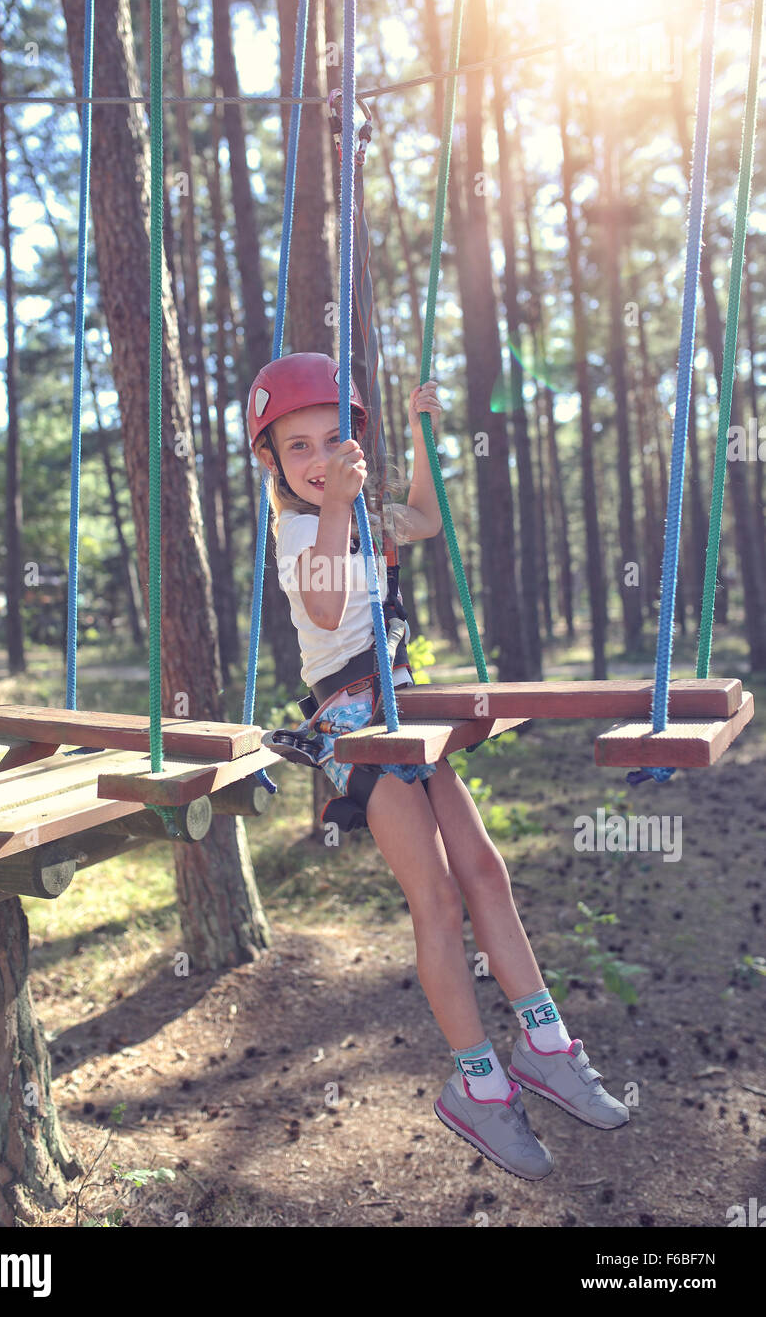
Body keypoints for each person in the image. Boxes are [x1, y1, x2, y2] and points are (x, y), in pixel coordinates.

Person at [248, 352, 628, 1180]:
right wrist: (343, 505)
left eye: (335, 441)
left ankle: (549, 1046)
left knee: (487, 869)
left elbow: (426, 517)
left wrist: (421, 432)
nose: (319, 460)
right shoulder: (298, 530)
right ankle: (479, 1087)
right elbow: (320, 604)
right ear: (272, 461)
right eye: (299, 447)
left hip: (406, 709)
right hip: (356, 724)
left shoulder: (362, 509)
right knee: (439, 895)